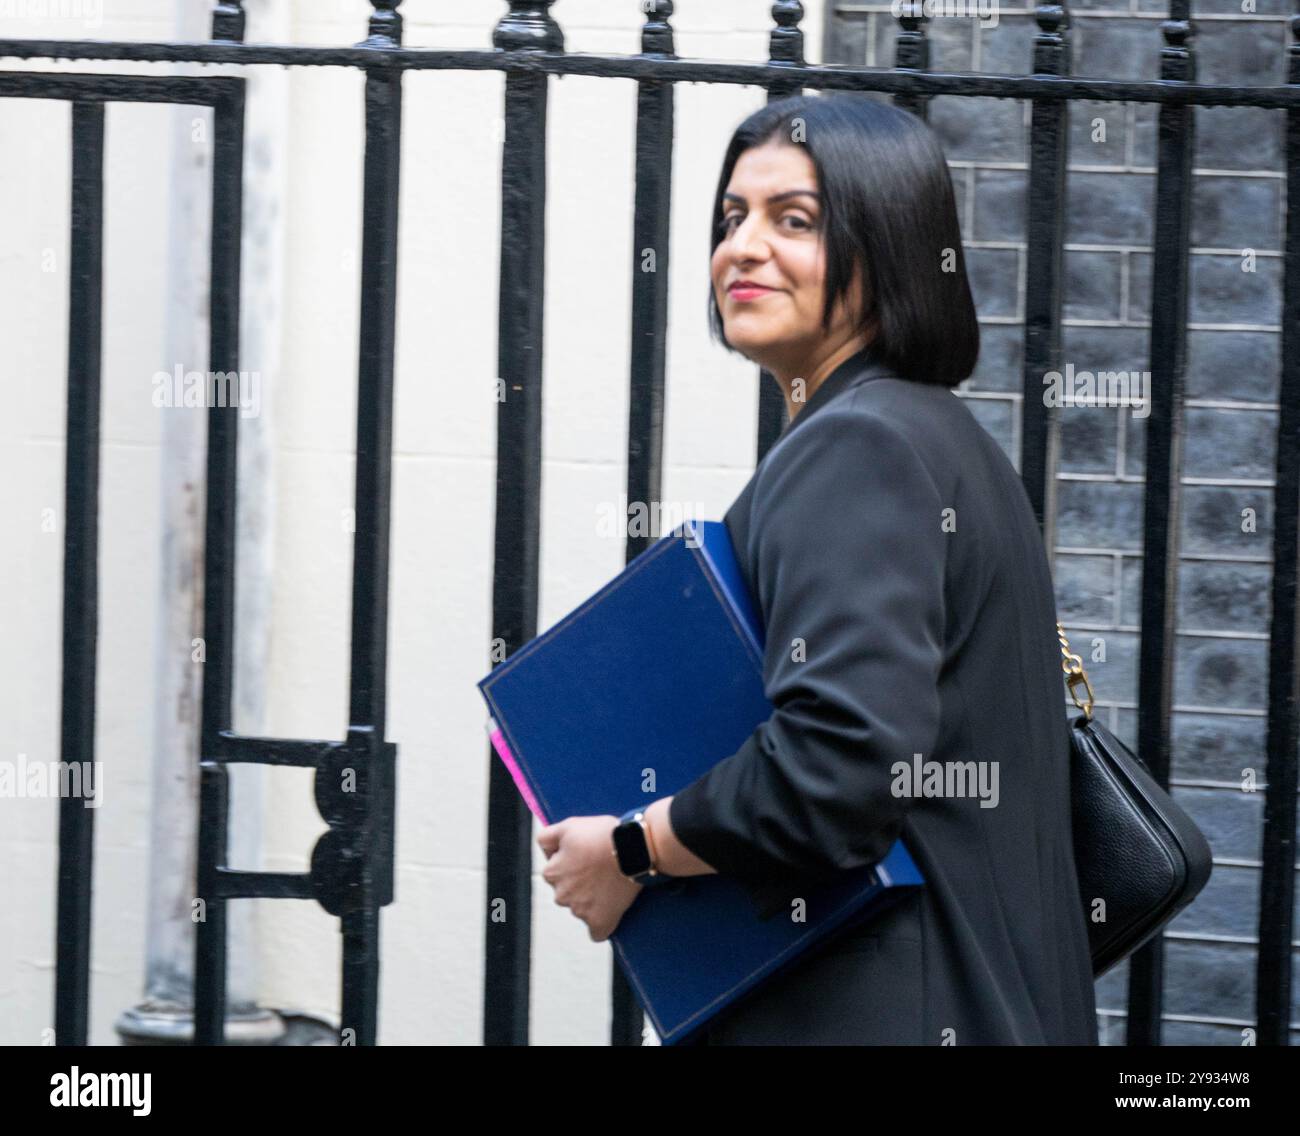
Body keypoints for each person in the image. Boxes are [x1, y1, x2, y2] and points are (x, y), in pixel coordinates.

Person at [536, 93, 1099, 1046]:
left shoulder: (858, 449)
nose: (742, 248)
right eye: (731, 218)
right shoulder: (928, 435)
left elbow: (836, 773)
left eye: (793, 220)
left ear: (889, 248)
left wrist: (629, 848)